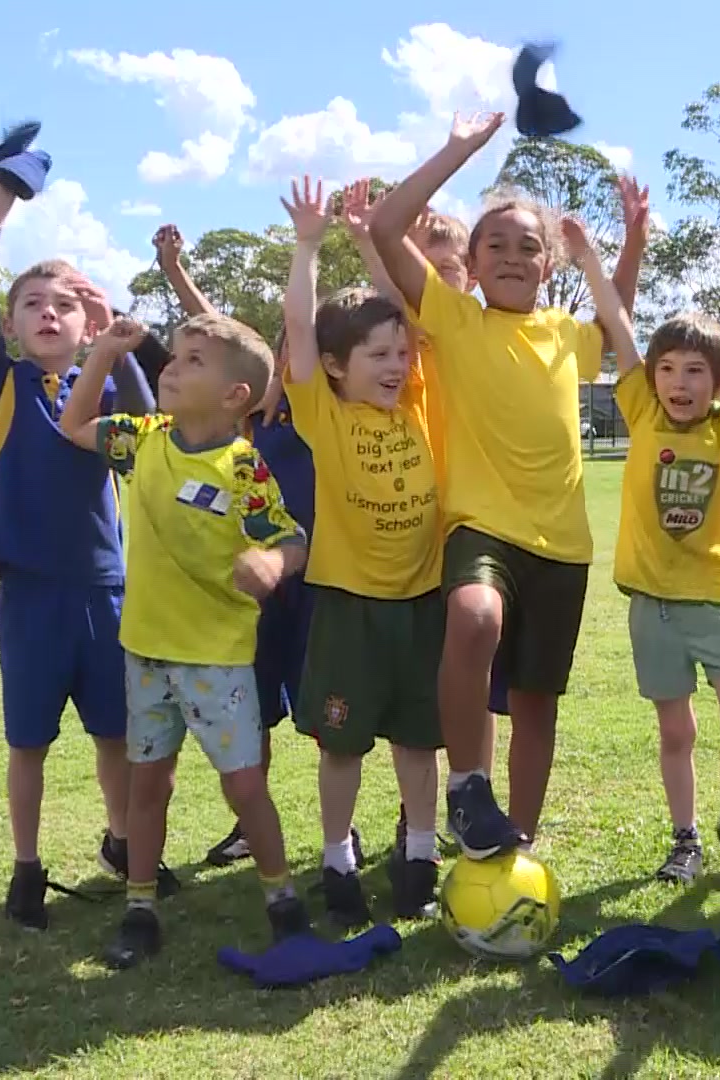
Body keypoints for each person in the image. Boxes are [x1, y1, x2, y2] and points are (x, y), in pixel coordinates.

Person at [368, 111, 648, 857]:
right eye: (496, 244)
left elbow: (615, 312)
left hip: (562, 543)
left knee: (535, 704)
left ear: (547, 265)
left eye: (530, 246)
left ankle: (514, 843)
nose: (514, 256)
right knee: (475, 621)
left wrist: (631, 240)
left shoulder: (566, 335)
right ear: (474, 260)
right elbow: (385, 224)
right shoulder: (454, 319)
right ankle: (466, 786)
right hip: (480, 525)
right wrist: (461, 149)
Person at [58, 311, 310, 969]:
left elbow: (292, 539)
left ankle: (281, 898)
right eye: (177, 355)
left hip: (218, 661)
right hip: (145, 653)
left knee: (245, 787)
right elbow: (74, 426)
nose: (172, 365)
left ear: (236, 397)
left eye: (194, 359)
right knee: (149, 785)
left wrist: (273, 565)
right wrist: (105, 356)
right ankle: (140, 906)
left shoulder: (244, 467)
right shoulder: (144, 439)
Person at [0, 166, 164, 929]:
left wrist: (118, 345)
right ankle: (26, 867)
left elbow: (149, 435)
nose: (50, 314)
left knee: (116, 734)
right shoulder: (3, 383)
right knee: (29, 745)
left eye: (67, 305)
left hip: (107, 591)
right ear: (12, 326)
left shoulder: (103, 386)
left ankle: (122, 844)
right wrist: (0, 206)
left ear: (87, 323)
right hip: (32, 596)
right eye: (34, 305)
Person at [276, 176, 446, 927]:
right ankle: (338, 859)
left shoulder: (416, 404)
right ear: (339, 365)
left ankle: (420, 851)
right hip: (348, 606)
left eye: (400, 352)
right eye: (377, 352)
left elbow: (408, 310)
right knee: (342, 746)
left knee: (419, 739)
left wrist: (369, 241)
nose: (395, 362)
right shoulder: (323, 412)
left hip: (421, 603)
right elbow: (301, 329)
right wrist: (309, 245)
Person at [148, 223, 324, 872]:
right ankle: (250, 826)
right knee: (256, 714)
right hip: (253, 593)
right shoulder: (249, 421)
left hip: (313, 578)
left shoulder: (319, 417)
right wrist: (173, 271)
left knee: (329, 716)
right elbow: (218, 332)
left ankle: (344, 831)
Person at [609, 303, 720, 884]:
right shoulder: (643, 413)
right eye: (668, 368)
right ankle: (686, 838)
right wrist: (598, 258)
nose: (679, 382)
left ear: (718, 380)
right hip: (652, 606)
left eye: (696, 370)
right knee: (676, 731)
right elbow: (621, 329)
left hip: (715, 601)